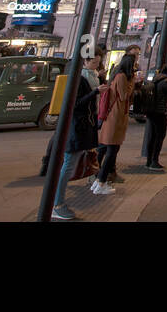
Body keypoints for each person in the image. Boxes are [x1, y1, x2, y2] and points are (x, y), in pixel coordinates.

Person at [51, 63, 101, 221]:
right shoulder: (77, 80)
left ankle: (57, 202)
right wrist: (96, 92)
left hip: (75, 128)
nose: (95, 65)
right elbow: (77, 104)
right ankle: (57, 204)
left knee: (68, 165)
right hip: (75, 129)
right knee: (67, 166)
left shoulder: (74, 78)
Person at [92, 53, 137, 195]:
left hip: (112, 116)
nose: (136, 66)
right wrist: (133, 81)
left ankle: (98, 180)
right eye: (135, 64)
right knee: (112, 150)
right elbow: (124, 96)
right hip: (115, 117)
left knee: (106, 148)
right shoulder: (122, 77)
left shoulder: (117, 75)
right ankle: (101, 182)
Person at [142, 61, 167, 170]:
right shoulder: (166, 81)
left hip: (152, 111)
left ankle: (149, 161)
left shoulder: (157, 78)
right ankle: (154, 161)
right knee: (160, 136)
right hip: (160, 112)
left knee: (152, 137)